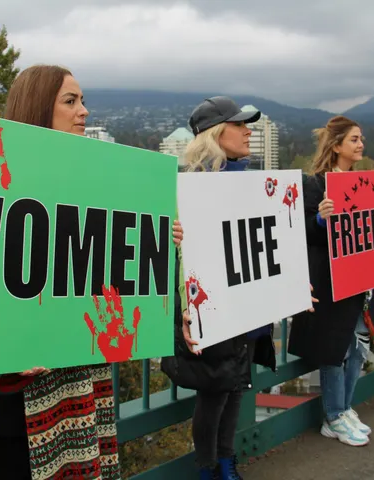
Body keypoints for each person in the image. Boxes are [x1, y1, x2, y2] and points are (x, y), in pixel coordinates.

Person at [0, 65, 184, 480]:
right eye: (70, 101)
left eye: (82, 101)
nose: (83, 111)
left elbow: (109, 270)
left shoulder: (90, 182)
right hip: (25, 399)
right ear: (37, 108)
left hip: (79, 384)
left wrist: (157, 238)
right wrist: (3, 354)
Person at [163, 96, 278, 480]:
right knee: (215, 394)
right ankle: (209, 468)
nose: (248, 131)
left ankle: (226, 464)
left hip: (245, 306)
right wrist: (185, 306)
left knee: (237, 387)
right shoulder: (190, 187)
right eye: (239, 125)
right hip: (212, 307)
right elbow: (177, 254)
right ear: (216, 134)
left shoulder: (251, 183)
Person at [288, 115, 374, 447]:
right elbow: (301, 231)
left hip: (358, 280)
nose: (361, 145)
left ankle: (344, 408)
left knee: (355, 347)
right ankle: (334, 416)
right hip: (329, 281)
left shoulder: (361, 184)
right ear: (337, 146)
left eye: (361, 139)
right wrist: (319, 218)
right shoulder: (313, 184)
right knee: (334, 349)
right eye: (355, 140)